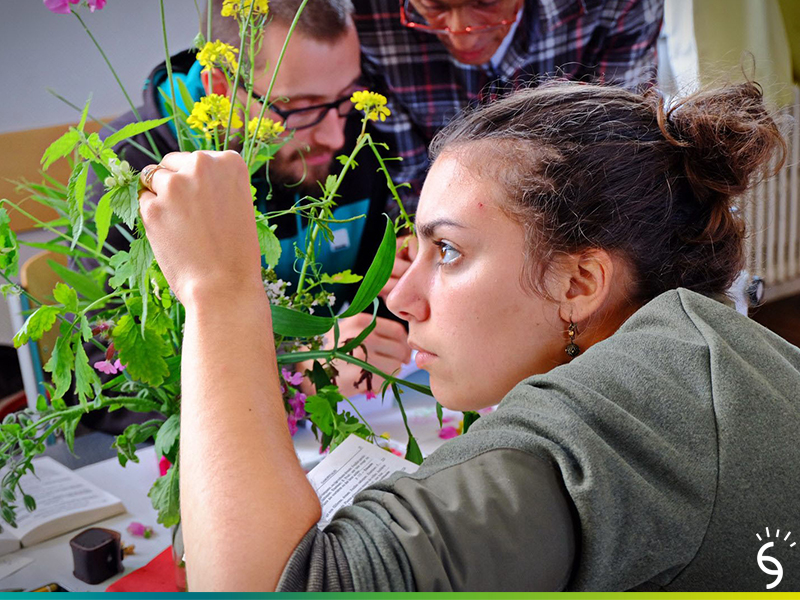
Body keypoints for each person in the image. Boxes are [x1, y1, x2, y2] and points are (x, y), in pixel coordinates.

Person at [138, 80, 799, 591]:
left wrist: (220, 292)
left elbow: (269, 587)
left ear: (580, 283)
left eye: (448, 252)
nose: (400, 298)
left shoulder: (609, 428)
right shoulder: (708, 360)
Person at [80, 0, 410, 434]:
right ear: (220, 85)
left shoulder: (353, 137)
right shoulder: (135, 169)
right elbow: (110, 394)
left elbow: (378, 309)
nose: (335, 135)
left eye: (348, 96)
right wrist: (297, 376)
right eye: (303, 107)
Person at [353, 0, 664, 214]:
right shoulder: (363, 14)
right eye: (434, 7)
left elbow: (616, 156)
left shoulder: (619, 5)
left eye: (485, 3)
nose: (462, 35)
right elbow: (406, 183)